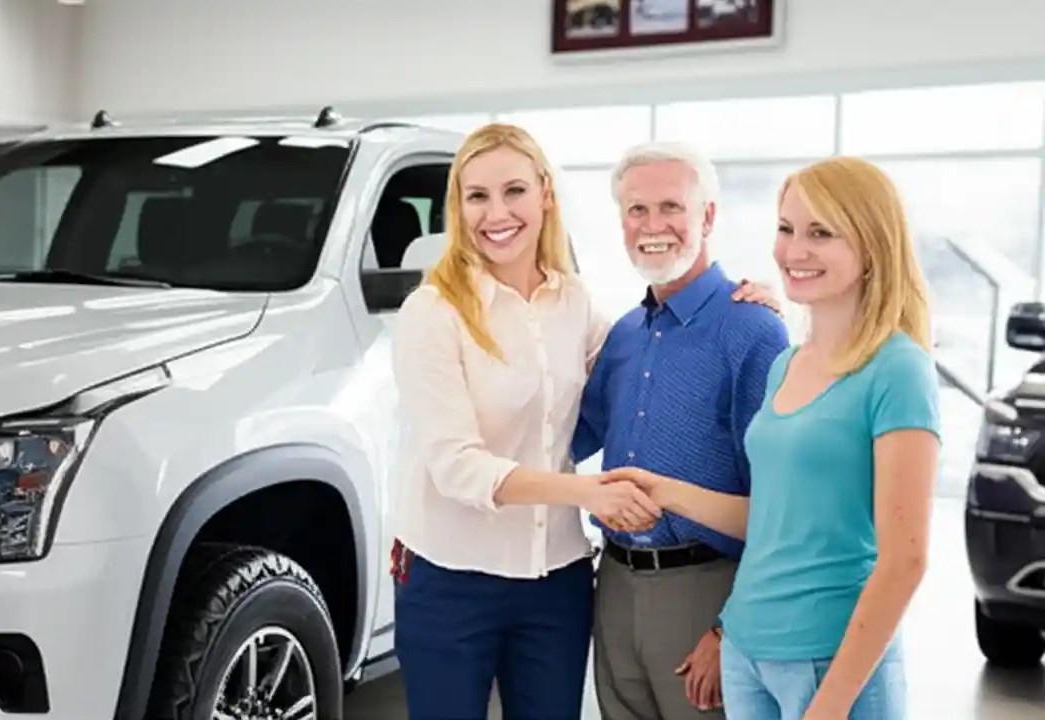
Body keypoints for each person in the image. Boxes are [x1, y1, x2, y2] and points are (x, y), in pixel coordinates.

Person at [388, 124, 777, 719]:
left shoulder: (580, 307)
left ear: (546, 194)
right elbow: (457, 465)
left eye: (514, 190)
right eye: (477, 197)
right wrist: (589, 492)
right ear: (458, 209)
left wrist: (758, 301)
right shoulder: (432, 311)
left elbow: (653, 364)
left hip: (559, 581)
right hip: (455, 573)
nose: (497, 213)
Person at [618, 156, 940, 720]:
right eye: (787, 229)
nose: (795, 250)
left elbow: (905, 561)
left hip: (830, 662)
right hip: (749, 653)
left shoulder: (898, 369)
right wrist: (664, 491)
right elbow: (771, 518)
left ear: (872, 247)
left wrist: (831, 704)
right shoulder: (787, 364)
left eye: (821, 232)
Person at [570, 141, 790, 720]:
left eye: (671, 207)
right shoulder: (622, 335)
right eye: (636, 210)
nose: (652, 226)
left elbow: (778, 502)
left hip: (706, 589)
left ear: (708, 217)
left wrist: (729, 628)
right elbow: (559, 441)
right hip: (614, 584)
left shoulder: (753, 331)